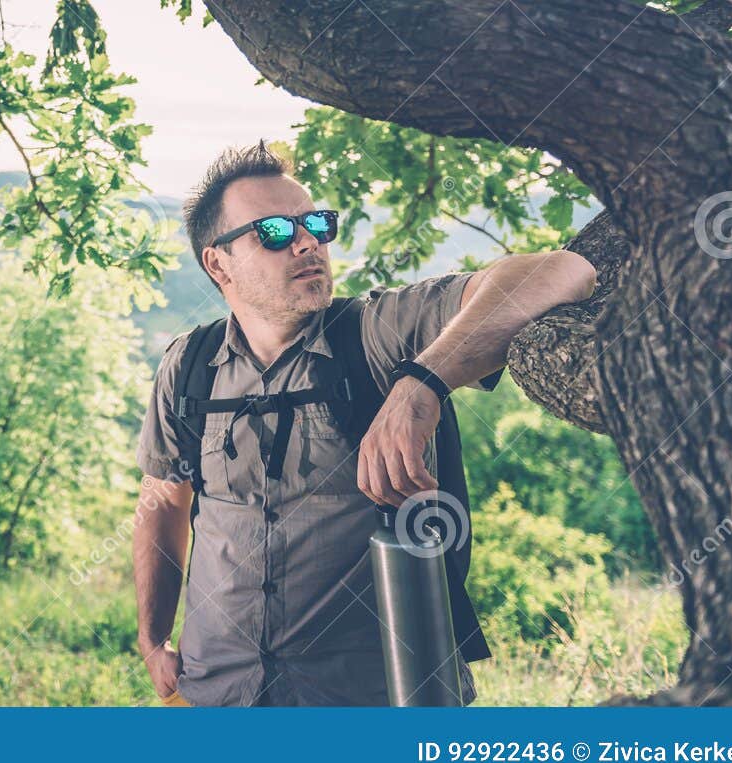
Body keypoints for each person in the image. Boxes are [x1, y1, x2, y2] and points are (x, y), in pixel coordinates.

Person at [133, 142, 598, 707]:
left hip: (376, 699)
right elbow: (163, 501)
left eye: (317, 224)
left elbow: (561, 271)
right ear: (217, 263)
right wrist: (153, 638)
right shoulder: (187, 367)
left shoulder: (376, 335)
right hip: (214, 694)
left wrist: (421, 384)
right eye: (276, 231)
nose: (307, 243)